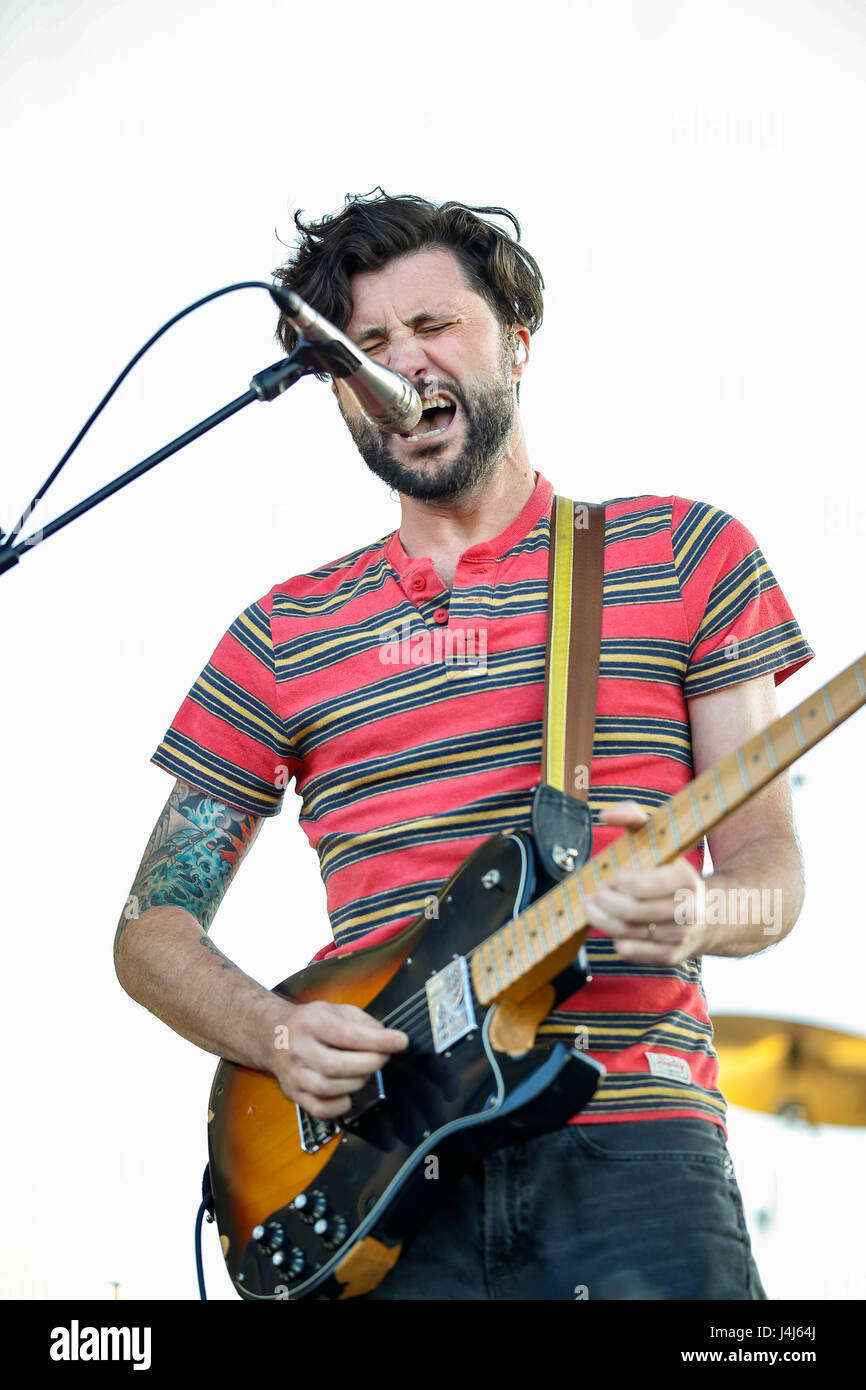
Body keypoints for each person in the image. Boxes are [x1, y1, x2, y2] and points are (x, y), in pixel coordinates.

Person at [114, 191, 813, 1300]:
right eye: (367, 347)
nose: (402, 363)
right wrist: (276, 1031)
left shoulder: (685, 553)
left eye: (432, 326)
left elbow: (767, 875)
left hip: (633, 1153)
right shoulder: (278, 635)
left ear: (517, 341)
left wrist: (697, 912)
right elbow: (150, 929)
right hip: (377, 1183)